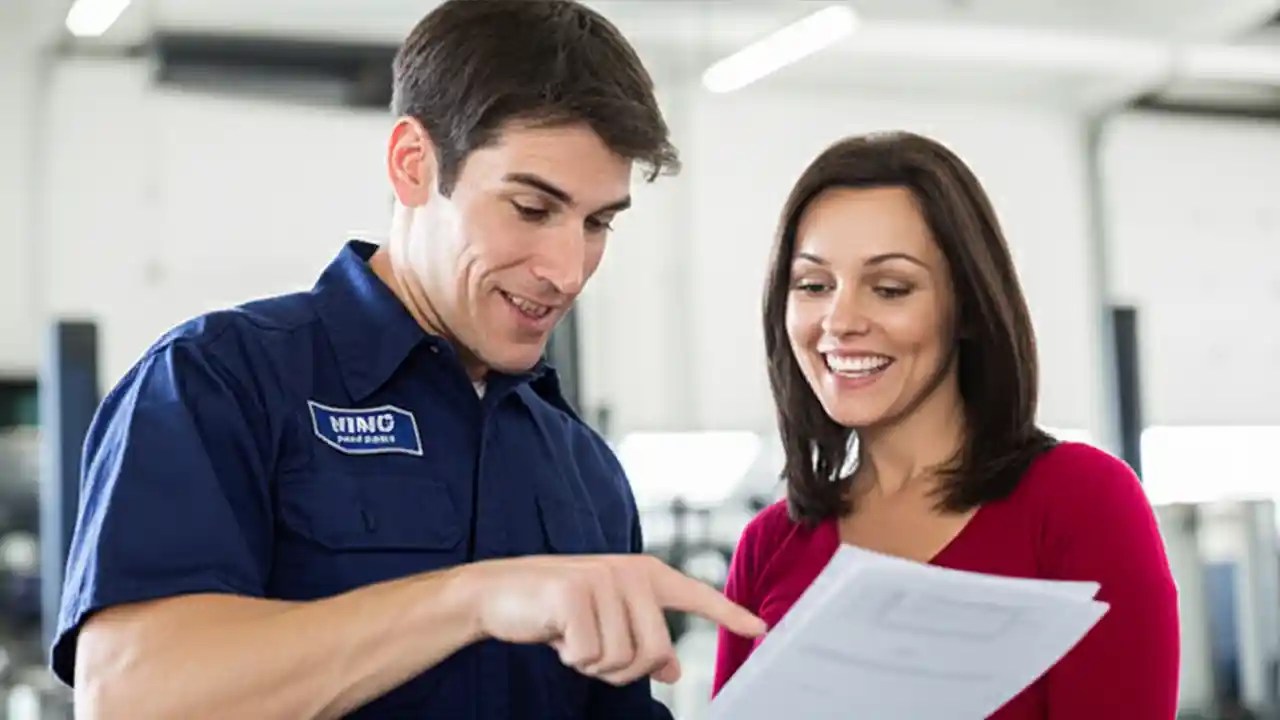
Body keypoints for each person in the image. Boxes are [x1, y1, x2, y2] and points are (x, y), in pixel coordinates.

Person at [52, 1, 766, 718]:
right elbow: (129, 697)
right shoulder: (218, 383)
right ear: (413, 165)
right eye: (529, 208)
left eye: (598, 223)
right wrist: (474, 598)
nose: (568, 269)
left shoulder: (581, 466)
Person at [712, 132, 1179, 717]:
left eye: (890, 288)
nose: (840, 320)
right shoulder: (770, 546)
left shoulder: (1080, 500)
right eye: (813, 286)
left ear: (968, 309)